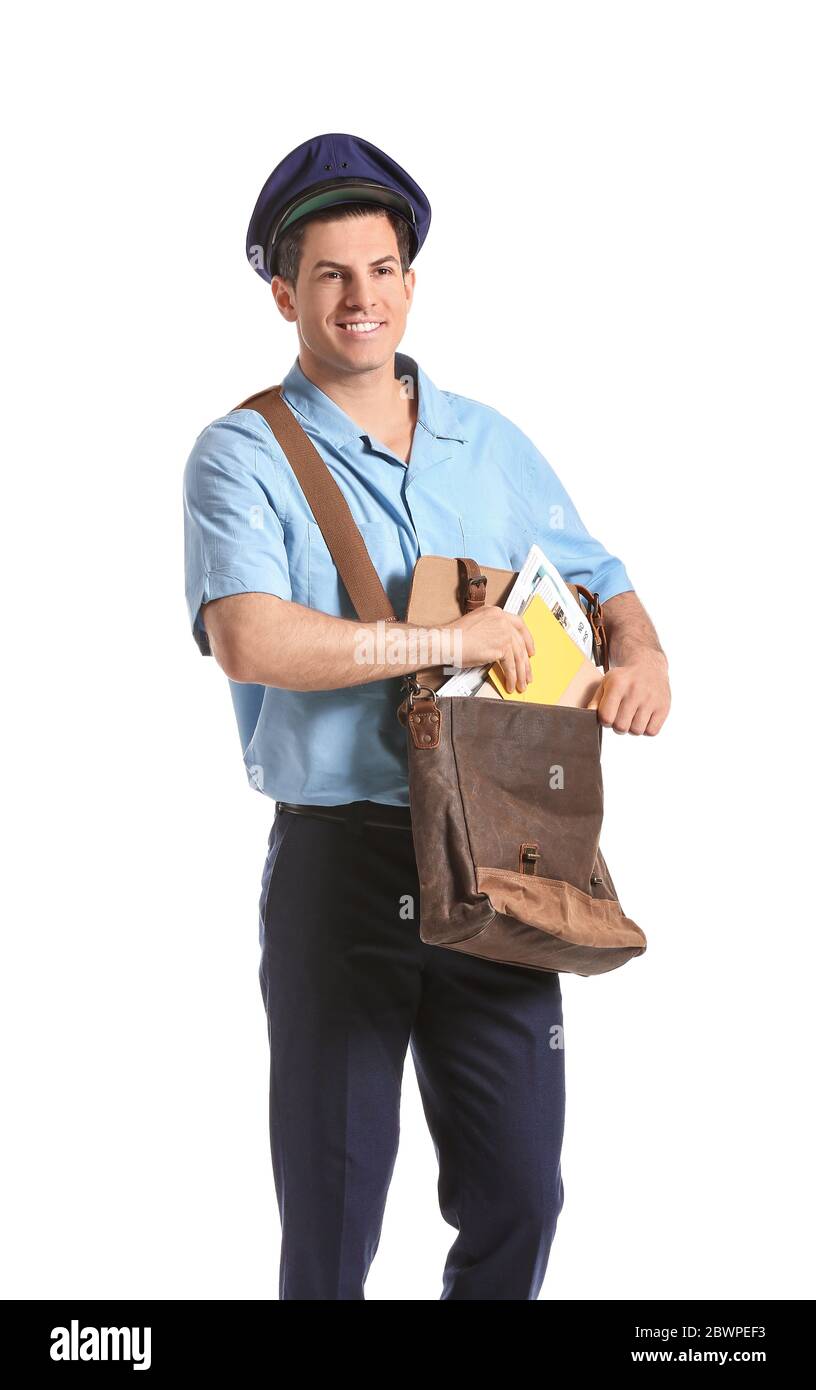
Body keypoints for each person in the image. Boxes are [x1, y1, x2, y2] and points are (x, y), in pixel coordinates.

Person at [182, 132, 671, 1301]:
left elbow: (603, 580)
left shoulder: (488, 442)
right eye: (332, 275)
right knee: (336, 1206)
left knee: (520, 1192)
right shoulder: (241, 452)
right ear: (282, 290)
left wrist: (642, 651)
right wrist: (448, 640)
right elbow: (252, 636)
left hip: (498, 852)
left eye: (383, 269)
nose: (363, 299)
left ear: (412, 278)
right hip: (340, 864)